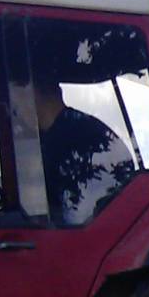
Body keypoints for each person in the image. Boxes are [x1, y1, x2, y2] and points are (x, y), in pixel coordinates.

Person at [32, 78, 134, 226]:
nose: (10, 110)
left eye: (15, 99)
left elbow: (76, 212)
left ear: (34, 96)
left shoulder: (77, 140)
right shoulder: (70, 131)